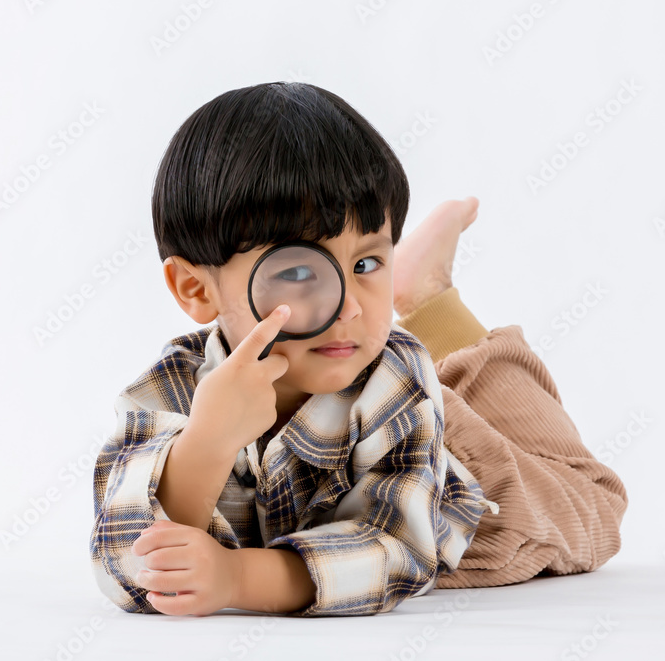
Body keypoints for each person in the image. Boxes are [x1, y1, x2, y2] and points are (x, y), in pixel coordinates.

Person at [89, 82, 629, 618]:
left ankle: (431, 301)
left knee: (593, 503)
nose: (347, 307)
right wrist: (206, 441)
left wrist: (237, 579)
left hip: (458, 506)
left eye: (368, 263)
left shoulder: (396, 375)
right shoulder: (169, 386)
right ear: (196, 289)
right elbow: (120, 560)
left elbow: (397, 550)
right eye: (300, 271)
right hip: (355, 481)